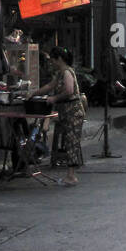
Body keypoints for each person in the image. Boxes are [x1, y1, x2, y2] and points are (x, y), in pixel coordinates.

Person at [33, 45, 84, 186]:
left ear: (59, 59)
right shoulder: (60, 73)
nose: (52, 63)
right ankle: (70, 175)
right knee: (68, 140)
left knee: (71, 142)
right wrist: (34, 93)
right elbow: (50, 86)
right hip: (66, 112)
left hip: (73, 112)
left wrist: (54, 99)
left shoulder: (67, 72)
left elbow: (69, 90)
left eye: (53, 60)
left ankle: (71, 176)